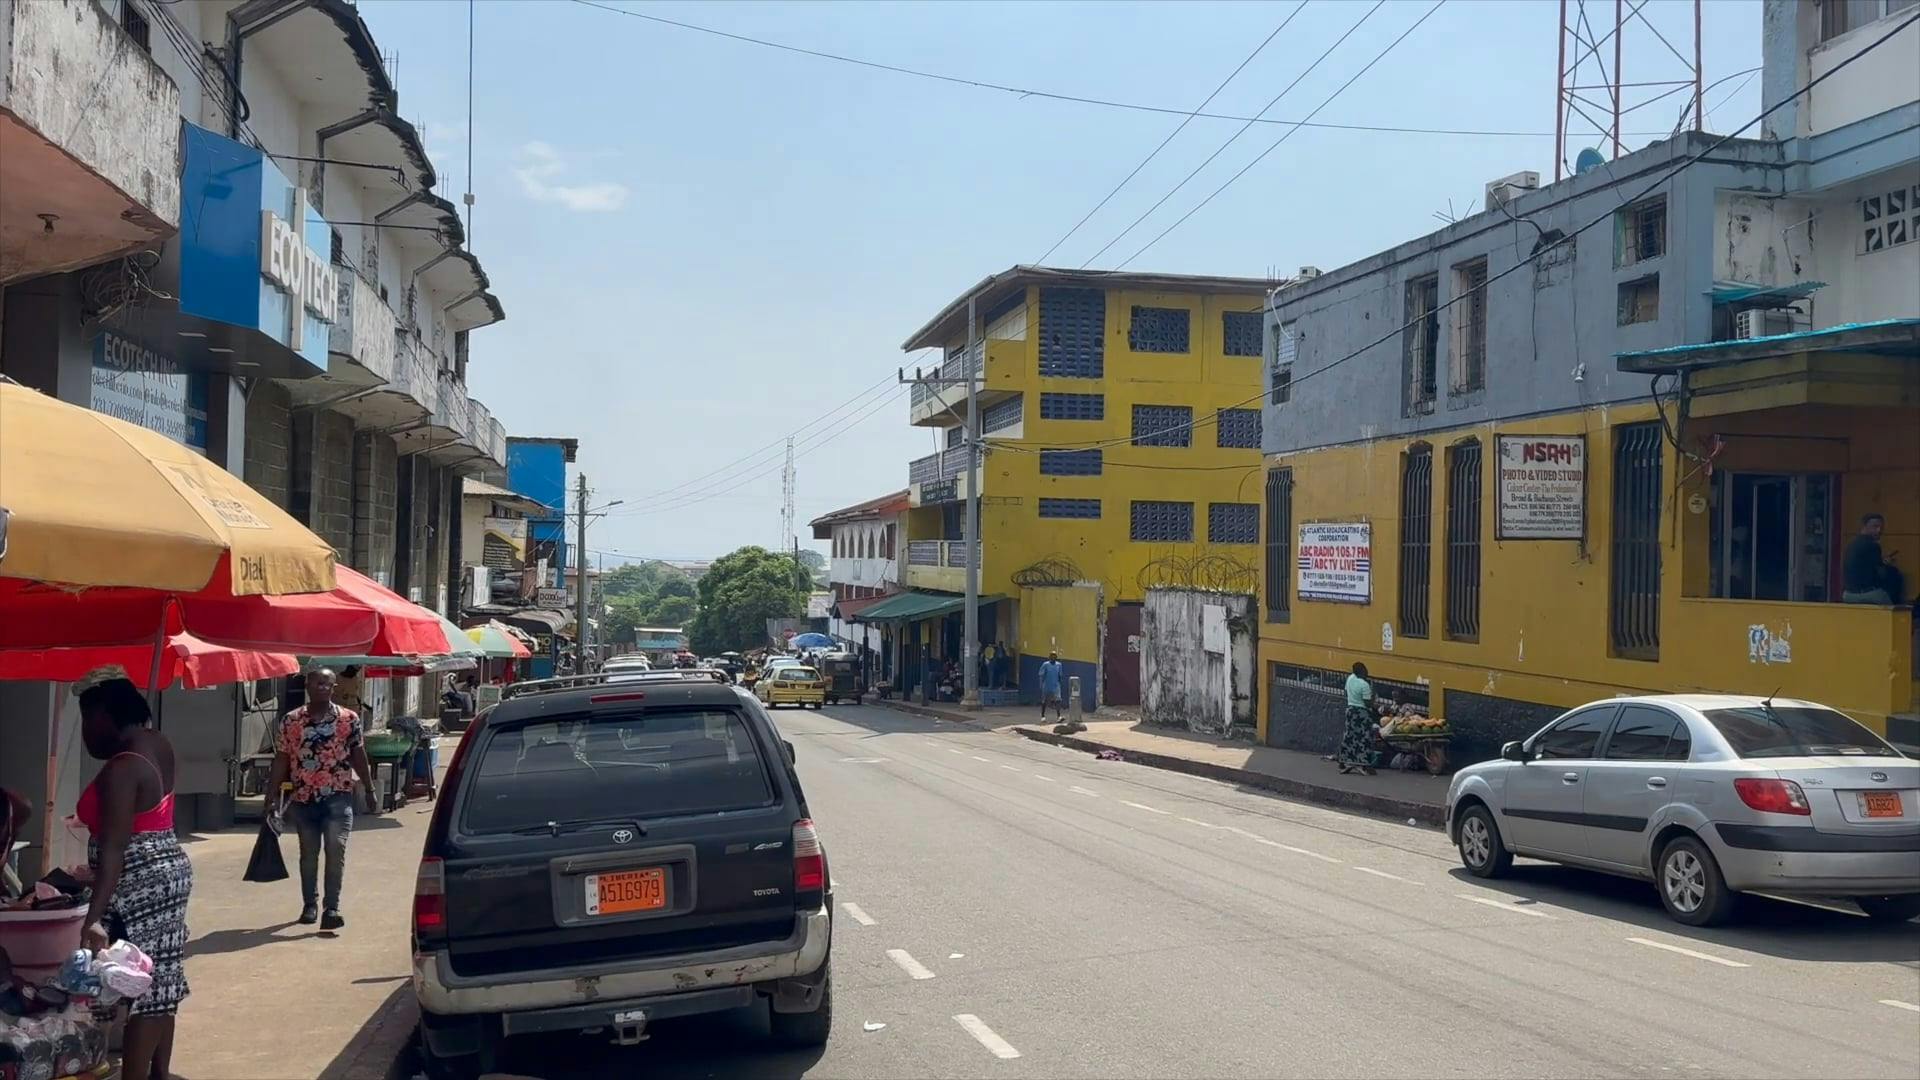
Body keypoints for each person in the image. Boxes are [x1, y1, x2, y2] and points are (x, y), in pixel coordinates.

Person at [73, 675, 191, 1080]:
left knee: (144, 992)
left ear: (104, 717)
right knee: (161, 981)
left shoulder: (123, 768)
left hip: (137, 882)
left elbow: (114, 848)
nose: (86, 734)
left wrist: (94, 917)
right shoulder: (157, 742)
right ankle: (160, 1072)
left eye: (87, 720)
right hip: (166, 869)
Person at [267, 668, 379, 931]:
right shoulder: (291, 720)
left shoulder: (349, 719)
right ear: (307, 685)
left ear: (334, 687)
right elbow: (282, 758)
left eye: (327, 684)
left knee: (336, 849)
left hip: (338, 797)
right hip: (303, 798)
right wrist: (271, 796)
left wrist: (370, 789)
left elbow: (358, 755)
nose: (322, 687)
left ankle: (332, 908)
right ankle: (310, 904)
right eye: (317, 683)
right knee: (309, 854)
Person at [1842, 512, 1900, 604]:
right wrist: (1885, 565)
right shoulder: (1873, 545)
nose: (1879, 530)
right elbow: (1881, 574)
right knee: (1892, 610)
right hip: (1869, 594)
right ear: (1864, 526)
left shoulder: (1852, 543)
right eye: (1875, 526)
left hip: (1848, 594)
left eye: (1881, 527)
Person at [1340, 662, 1378, 776]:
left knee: (1349, 736)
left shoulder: (1350, 678)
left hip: (1350, 710)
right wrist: (1373, 696)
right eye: (1365, 670)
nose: (1367, 673)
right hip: (1362, 713)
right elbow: (1368, 703)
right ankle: (1364, 764)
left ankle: (1344, 761)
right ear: (1362, 672)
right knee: (1364, 738)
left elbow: (1346, 692)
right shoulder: (1364, 685)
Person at [1038, 650, 1066, 722]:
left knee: (1058, 700)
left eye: (1054, 656)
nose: (1053, 657)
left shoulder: (1059, 665)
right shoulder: (1045, 665)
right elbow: (1041, 674)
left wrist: (1060, 684)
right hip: (1046, 685)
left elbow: (1060, 675)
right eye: (1052, 656)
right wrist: (1041, 684)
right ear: (1049, 657)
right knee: (1044, 701)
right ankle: (1043, 716)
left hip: (1056, 685)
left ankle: (1059, 716)